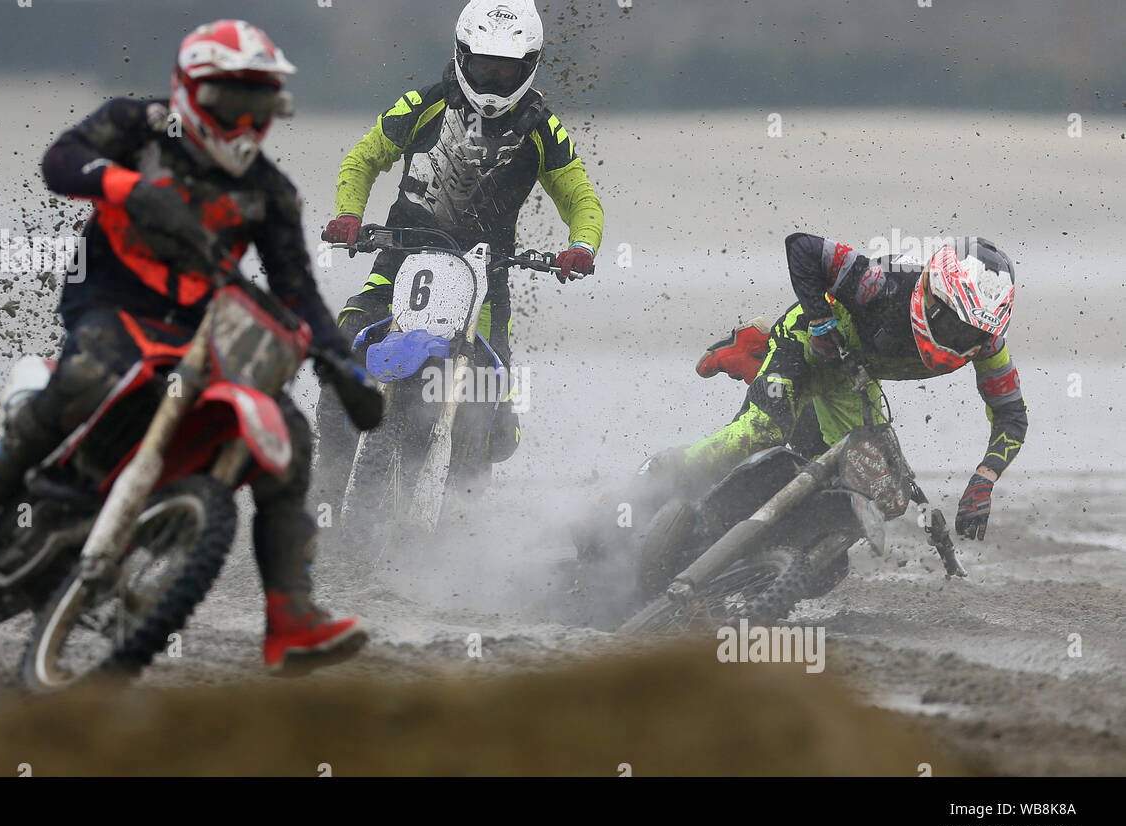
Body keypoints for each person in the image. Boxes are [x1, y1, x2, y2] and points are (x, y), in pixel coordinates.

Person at [0, 19, 378, 673]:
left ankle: (290, 615)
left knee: (292, 440)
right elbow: (61, 161)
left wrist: (343, 365)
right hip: (109, 305)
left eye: (258, 105)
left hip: (198, 333)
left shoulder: (271, 193)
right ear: (192, 92)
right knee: (87, 370)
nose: (243, 121)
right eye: (230, 102)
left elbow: (298, 292)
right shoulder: (138, 127)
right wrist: (128, 187)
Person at [576, 233, 1027, 560]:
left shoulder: (986, 344)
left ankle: (756, 547)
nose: (960, 340)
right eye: (953, 324)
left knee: (876, 490)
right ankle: (640, 487)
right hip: (809, 342)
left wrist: (984, 480)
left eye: (973, 333)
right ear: (931, 290)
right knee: (758, 431)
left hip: (852, 377)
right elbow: (803, 247)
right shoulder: (879, 284)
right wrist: (820, 322)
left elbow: (1011, 416)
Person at [315, 0, 604, 499]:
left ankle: (465, 518)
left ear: (528, 65)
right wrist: (348, 216)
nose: (492, 79)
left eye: (505, 68)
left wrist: (580, 245)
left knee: (492, 403)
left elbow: (582, 198)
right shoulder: (422, 103)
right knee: (346, 344)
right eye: (484, 65)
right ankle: (328, 481)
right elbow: (363, 160)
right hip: (399, 259)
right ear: (462, 55)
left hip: (485, 283)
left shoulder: (542, 127)